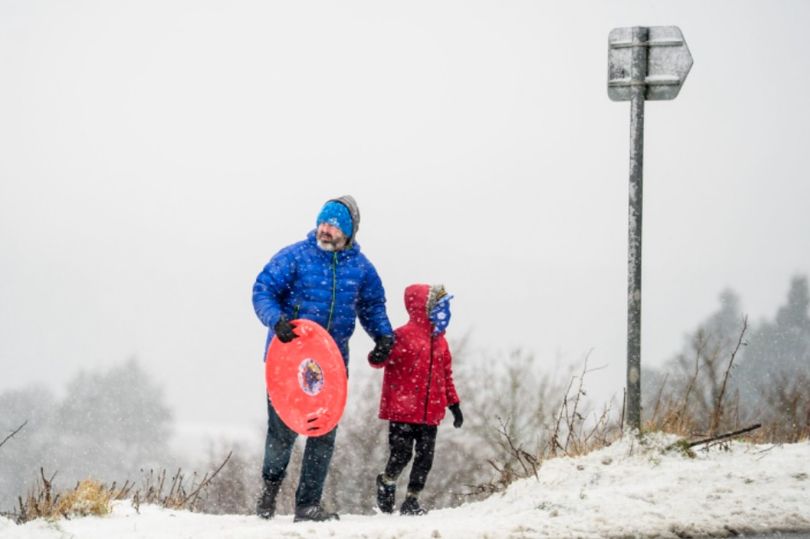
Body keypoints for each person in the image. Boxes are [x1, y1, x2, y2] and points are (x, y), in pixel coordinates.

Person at [252, 195, 395, 522]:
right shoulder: (295, 257)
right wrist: (276, 320)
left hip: (330, 366)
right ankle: (270, 491)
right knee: (283, 430)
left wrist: (383, 336)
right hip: (287, 360)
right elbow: (263, 290)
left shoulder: (360, 268)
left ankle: (307, 506)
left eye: (333, 224)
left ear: (348, 232)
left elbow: (372, 306)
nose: (325, 229)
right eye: (323, 222)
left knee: (322, 433)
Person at [369, 283, 463, 516]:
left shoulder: (441, 341)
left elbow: (445, 375)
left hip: (431, 411)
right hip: (402, 409)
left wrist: (454, 403)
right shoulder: (400, 336)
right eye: (439, 306)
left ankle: (412, 499)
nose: (444, 311)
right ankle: (388, 481)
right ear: (424, 307)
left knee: (425, 457)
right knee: (401, 454)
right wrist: (378, 352)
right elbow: (378, 361)